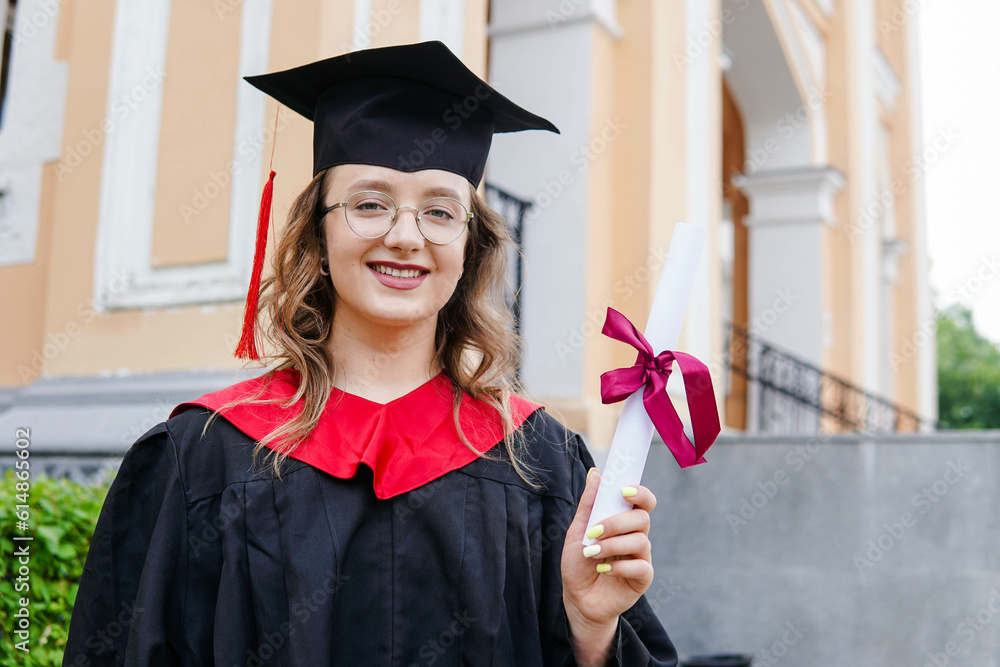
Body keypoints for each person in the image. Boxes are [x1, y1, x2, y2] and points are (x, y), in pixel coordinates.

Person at [63, 41, 678, 666]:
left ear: (469, 248)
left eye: (440, 211)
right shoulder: (203, 456)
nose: (405, 236)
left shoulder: (538, 460)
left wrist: (592, 630)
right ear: (319, 236)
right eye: (369, 203)